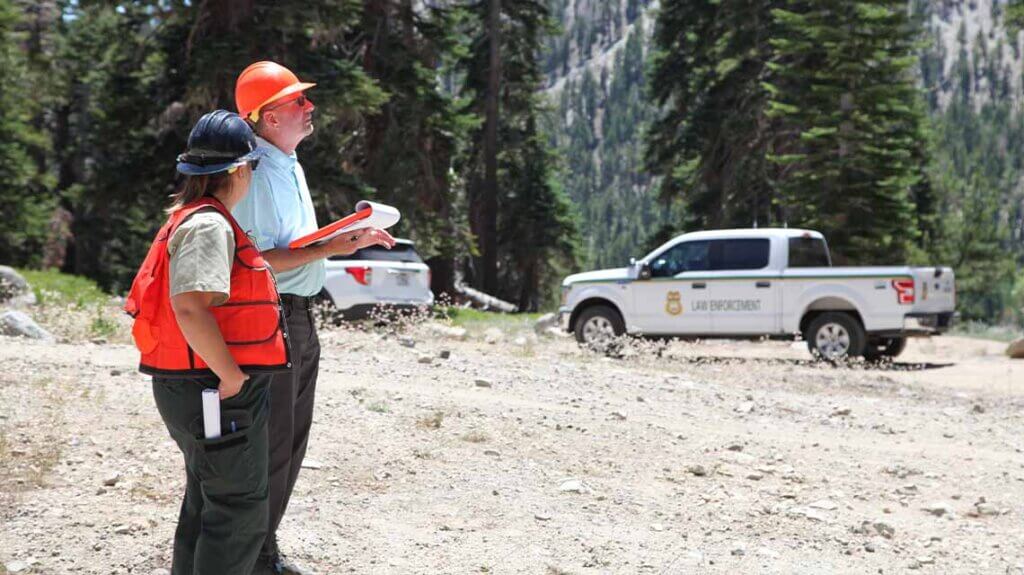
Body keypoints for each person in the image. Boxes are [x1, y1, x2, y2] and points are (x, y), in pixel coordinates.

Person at [232, 61, 396, 574]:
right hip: (269, 316)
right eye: (297, 101)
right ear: (267, 116)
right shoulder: (255, 175)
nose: (309, 107)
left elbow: (295, 246)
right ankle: (254, 558)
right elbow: (258, 261)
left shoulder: (288, 162)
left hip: (298, 316)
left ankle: (262, 551)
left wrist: (349, 238)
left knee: (291, 440)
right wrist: (335, 243)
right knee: (273, 443)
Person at [124, 110, 289, 574]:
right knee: (238, 510)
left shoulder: (194, 217)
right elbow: (191, 307)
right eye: (252, 167)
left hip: (199, 385)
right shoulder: (209, 225)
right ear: (238, 170)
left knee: (208, 503)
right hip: (213, 387)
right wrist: (231, 375)